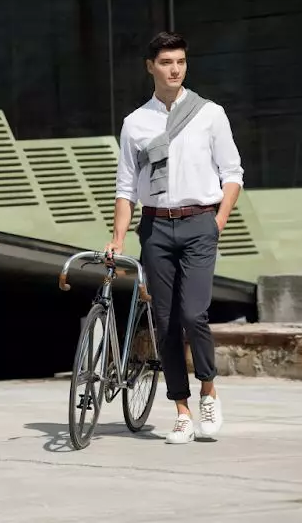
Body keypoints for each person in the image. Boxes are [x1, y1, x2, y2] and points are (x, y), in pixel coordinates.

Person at [105, 31, 244, 444]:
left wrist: (217, 222)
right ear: (151, 67)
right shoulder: (136, 123)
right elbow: (126, 187)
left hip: (200, 221)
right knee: (164, 322)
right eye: (166, 63)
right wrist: (119, 237)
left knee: (193, 314)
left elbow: (232, 173)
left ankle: (208, 389)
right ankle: (181, 410)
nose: (175, 69)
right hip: (157, 226)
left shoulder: (210, 114)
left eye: (180, 61)